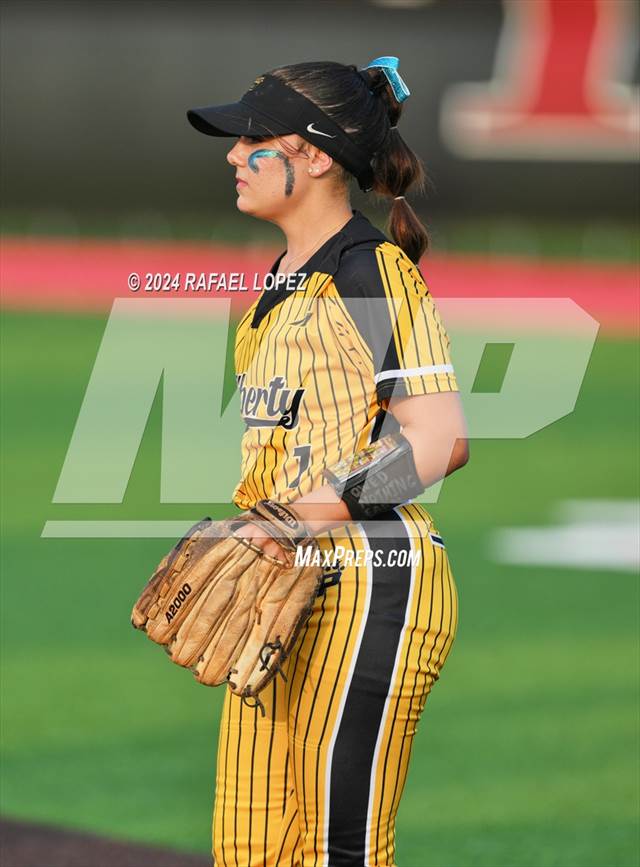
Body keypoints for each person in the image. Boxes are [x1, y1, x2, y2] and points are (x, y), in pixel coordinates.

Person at [187, 57, 469, 867]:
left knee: (335, 852)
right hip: (280, 585)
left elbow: (437, 439)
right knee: (251, 849)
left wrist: (291, 517)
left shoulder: (368, 273)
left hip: (371, 582)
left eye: (253, 138)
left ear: (314, 154)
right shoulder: (278, 285)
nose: (234, 155)